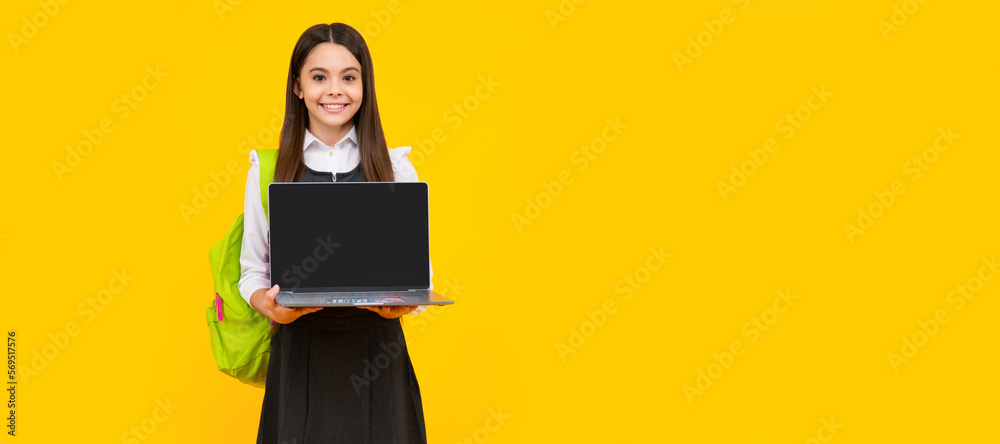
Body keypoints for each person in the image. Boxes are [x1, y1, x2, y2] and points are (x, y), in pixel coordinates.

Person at [237, 22, 431, 443]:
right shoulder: (268, 171)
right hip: (300, 354)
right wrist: (273, 309)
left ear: (365, 85)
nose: (335, 90)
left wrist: (405, 304)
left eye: (349, 77)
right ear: (298, 87)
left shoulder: (395, 168)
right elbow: (252, 272)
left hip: (378, 353)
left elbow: (421, 278)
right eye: (319, 77)